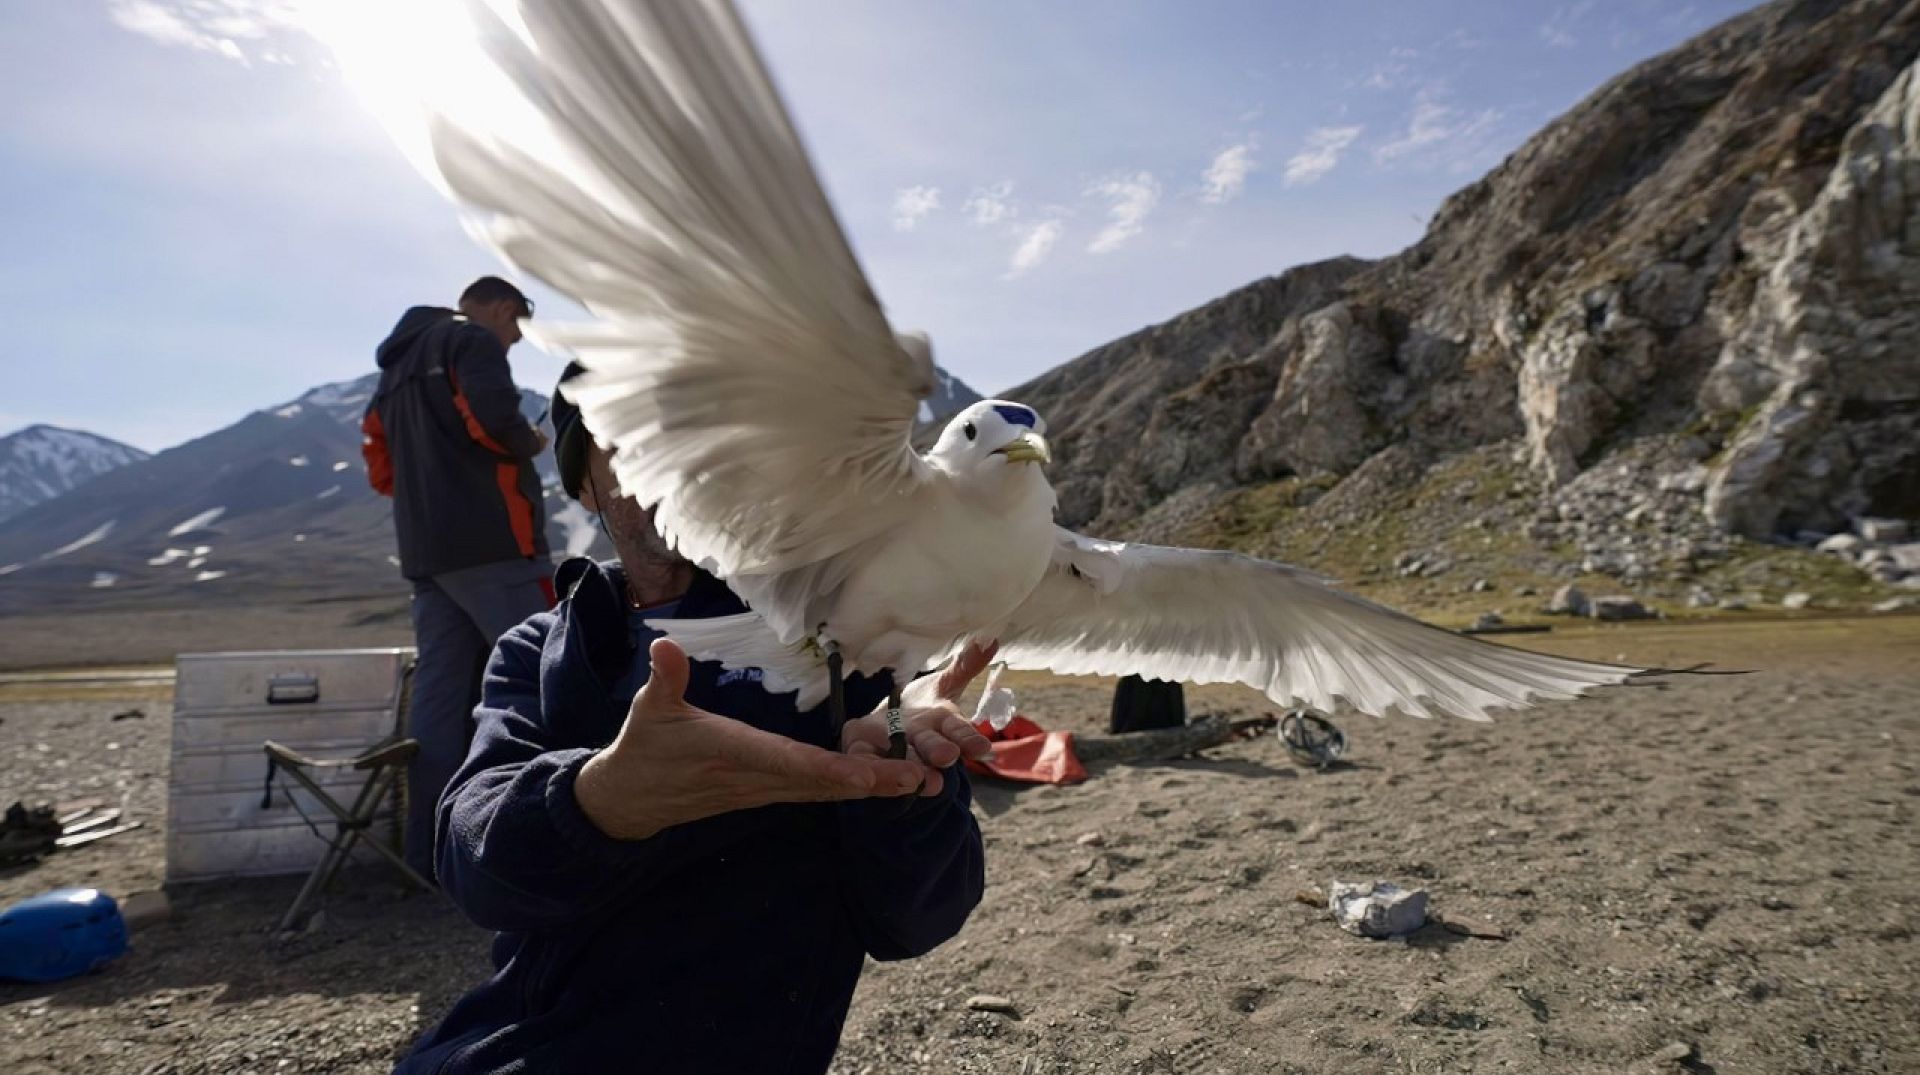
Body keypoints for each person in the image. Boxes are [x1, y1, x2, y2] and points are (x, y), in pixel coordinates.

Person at [392, 366, 992, 1074]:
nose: (678, 457)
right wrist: (598, 801)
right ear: (584, 484)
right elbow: (474, 869)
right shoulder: (544, 648)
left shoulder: (839, 642)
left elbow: (920, 918)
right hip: (508, 1037)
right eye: (633, 434)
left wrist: (897, 788)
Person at [360, 276, 554, 879]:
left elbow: (382, 471)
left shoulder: (392, 373)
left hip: (428, 557)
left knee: (439, 709)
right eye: (516, 329)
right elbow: (494, 423)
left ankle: (434, 857)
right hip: (495, 545)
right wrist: (530, 440)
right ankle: (556, 843)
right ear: (503, 308)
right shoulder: (471, 341)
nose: (513, 340)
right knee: (551, 672)